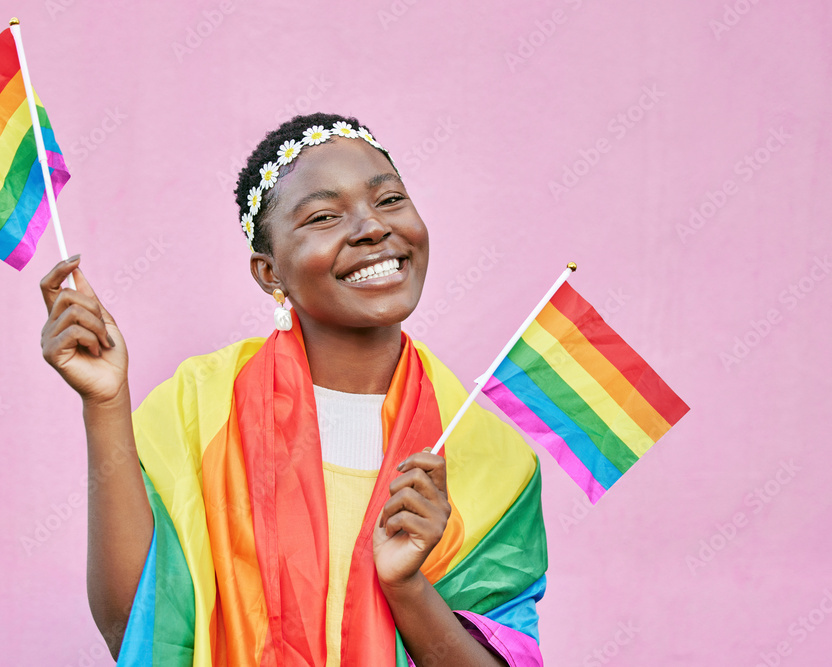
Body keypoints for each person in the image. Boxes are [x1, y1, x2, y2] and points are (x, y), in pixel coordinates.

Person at [39, 112, 548, 666]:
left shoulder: (490, 453)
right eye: (325, 216)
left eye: (390, 200)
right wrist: (105, 404)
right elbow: (135, 629)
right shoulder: (201, 408)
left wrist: (407, 588)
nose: (372, 227)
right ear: (269, 272)